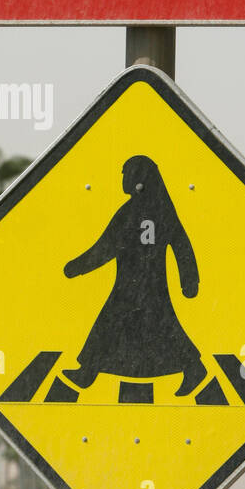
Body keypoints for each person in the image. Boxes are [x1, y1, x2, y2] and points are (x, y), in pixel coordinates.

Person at [61, 155, 206, 398]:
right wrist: (189, 280)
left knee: (115, 323)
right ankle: (88, 371)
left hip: (133, 286)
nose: (123, 180)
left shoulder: (130, 212)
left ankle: (88, 372)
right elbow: (182, 246)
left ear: (139, 179)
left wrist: (75, 267)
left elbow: (103, 249)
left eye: (126, 174)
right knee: (160, 325)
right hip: (145, 285)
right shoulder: (162, 211)